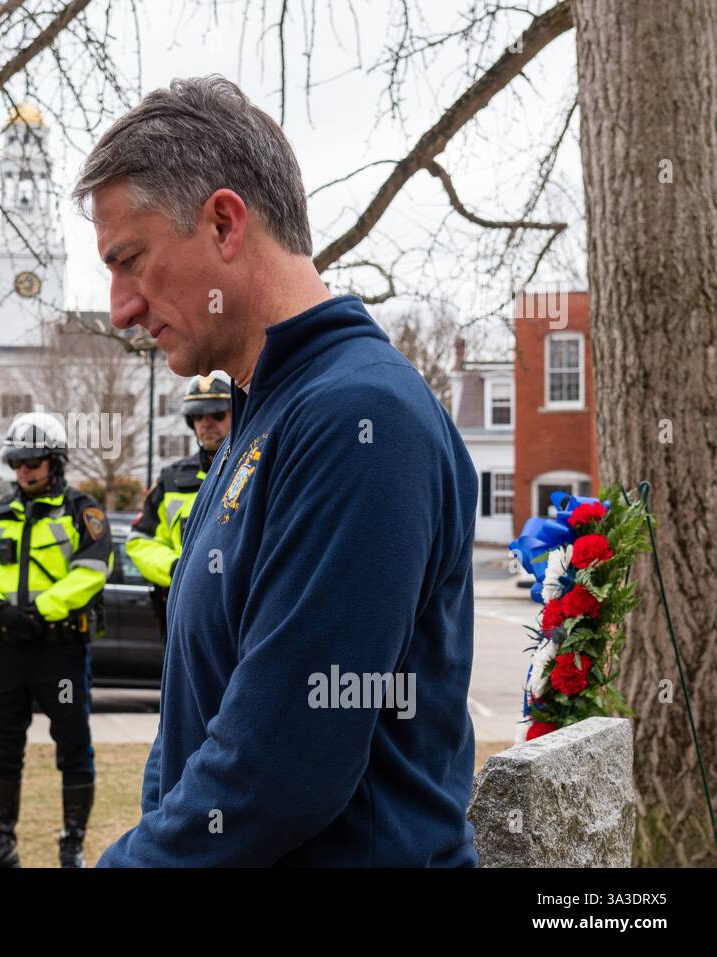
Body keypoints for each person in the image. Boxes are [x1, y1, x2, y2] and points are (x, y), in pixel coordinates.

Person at [75, 75, 478, 866]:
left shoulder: (357, 419)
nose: (120, 307)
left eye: (130, 260)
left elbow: (279, 770)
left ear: (225, 221)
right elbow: (198, 716)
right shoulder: (260, 416)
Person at [0, 412, 112, 868]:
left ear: (54, 462)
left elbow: (92, 572)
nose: (24, 470)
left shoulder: (84, 511)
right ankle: (3, 843)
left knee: (73, 743)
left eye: (34, 461)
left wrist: (41, 612)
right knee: (2, 744)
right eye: (17, 461)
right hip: (5, 648)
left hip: (58, 649)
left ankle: (72, 843)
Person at [126, 372, 232, 638]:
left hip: (238, 610)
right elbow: (140, 542)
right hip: (182, 616)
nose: (207, 423)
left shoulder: (255, 468)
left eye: (217, 414)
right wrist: (178, 568)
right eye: (198, 416)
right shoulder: (170, 480)